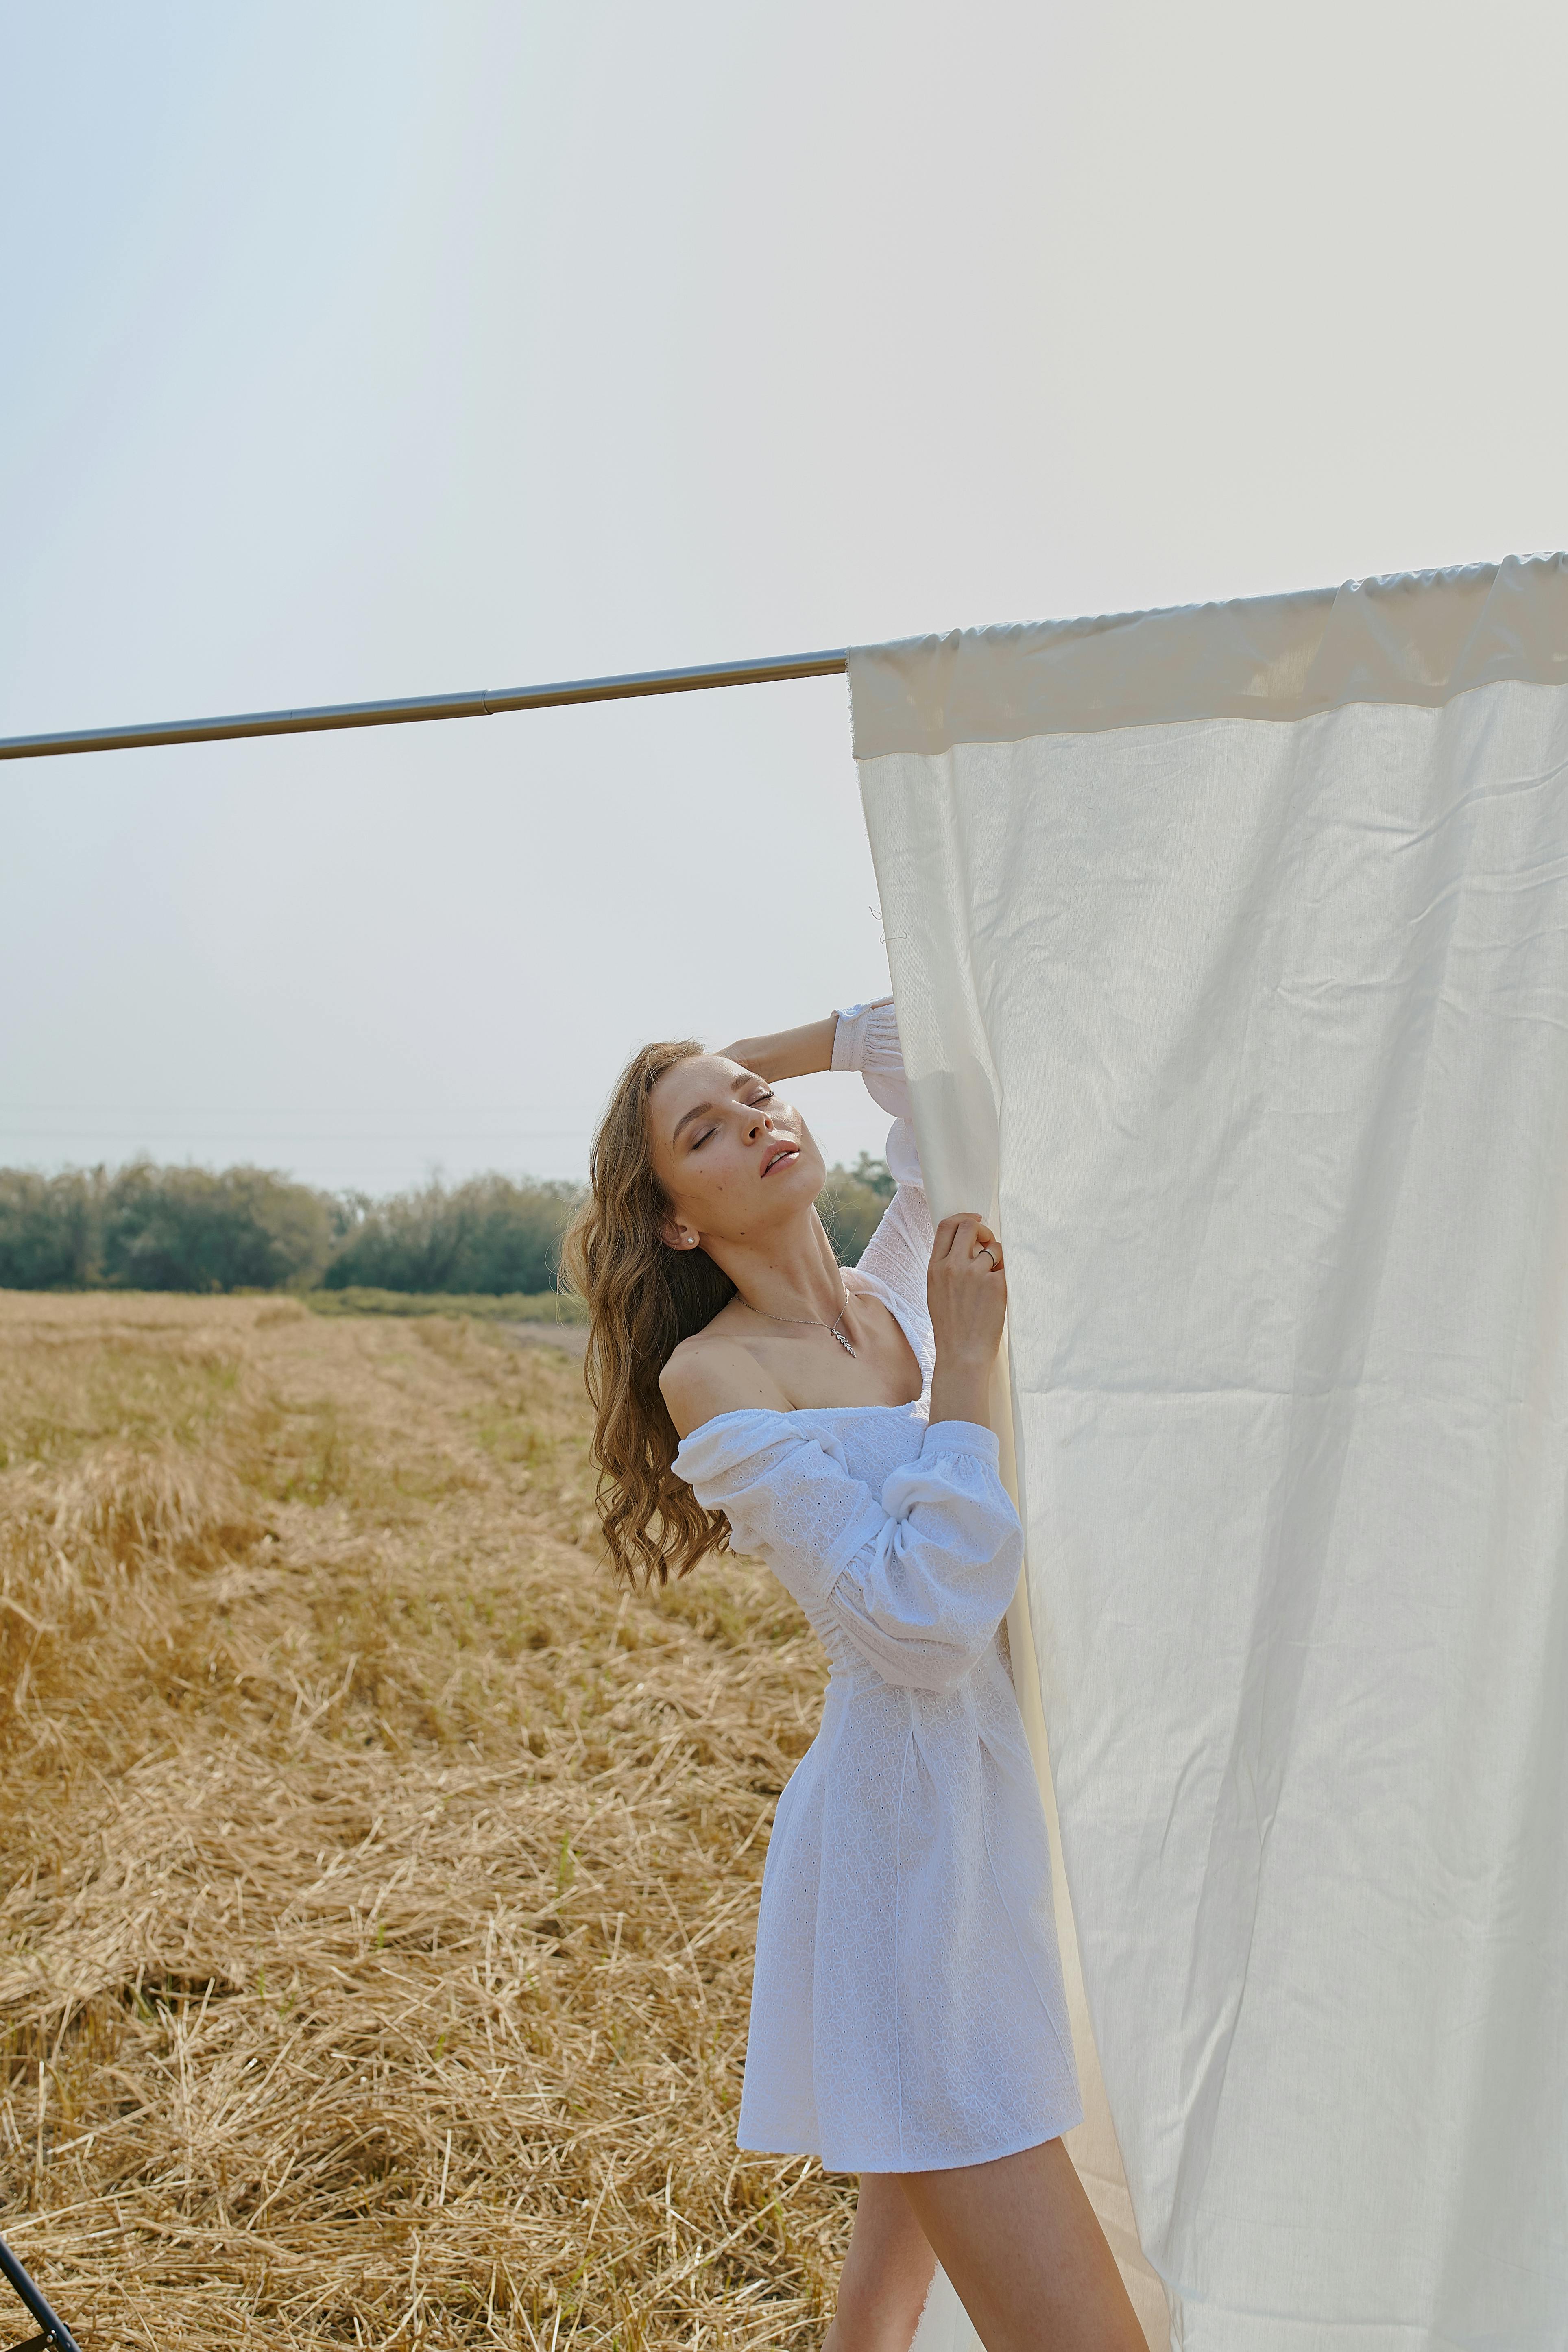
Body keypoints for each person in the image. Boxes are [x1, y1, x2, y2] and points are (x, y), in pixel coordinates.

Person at [560, 998, 1145, 2352]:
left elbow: (945, 1048)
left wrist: (737, 1065)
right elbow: (920, 1628)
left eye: (758, 1105)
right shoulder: (718, 1376)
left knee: (875, 2328)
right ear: (673, 1222)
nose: (758, 1124)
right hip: (904, 1850)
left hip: (999, 1833)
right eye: (706, 1137)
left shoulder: (893, 1290)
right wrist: (972, 1371)